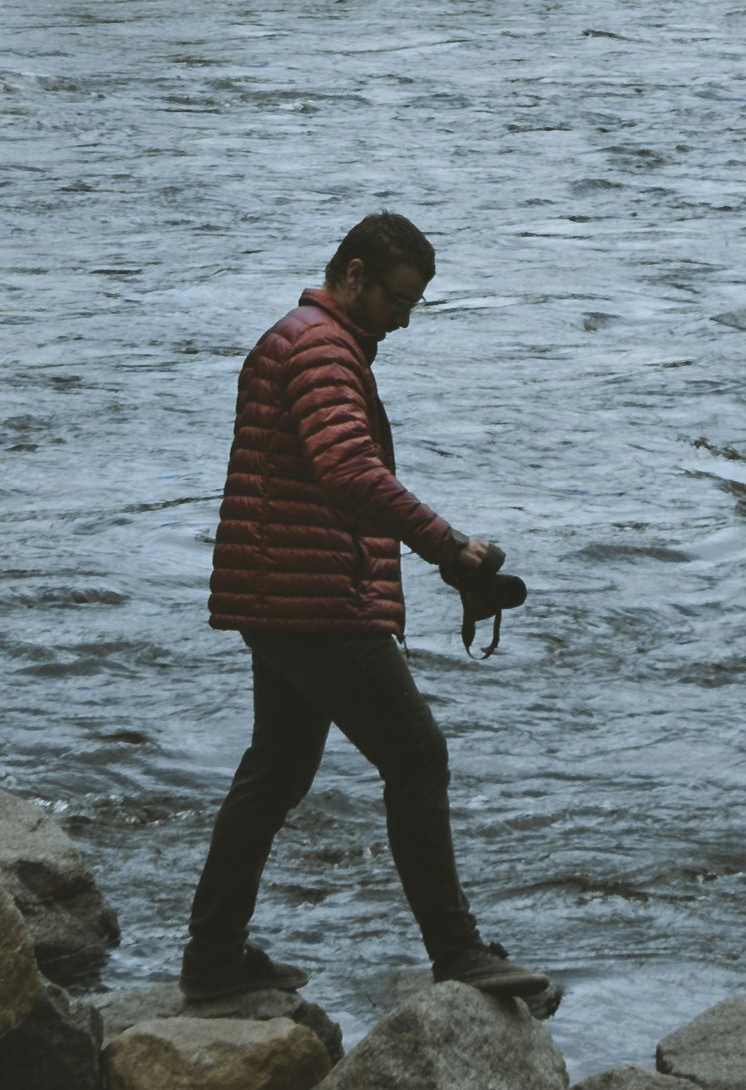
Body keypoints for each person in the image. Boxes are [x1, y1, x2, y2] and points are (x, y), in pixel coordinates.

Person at [182, 208, 556, 1014]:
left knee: (275, 771)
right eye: (396, 298)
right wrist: (448, 546)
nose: (403, 318)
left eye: (413, 303)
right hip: (312, 597)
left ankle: (212, 959)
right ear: (354, 274)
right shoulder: (321, 348)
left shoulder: (305, 338)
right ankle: (456, 951)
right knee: (415, 754)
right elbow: (348, 469)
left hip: (282, 589)